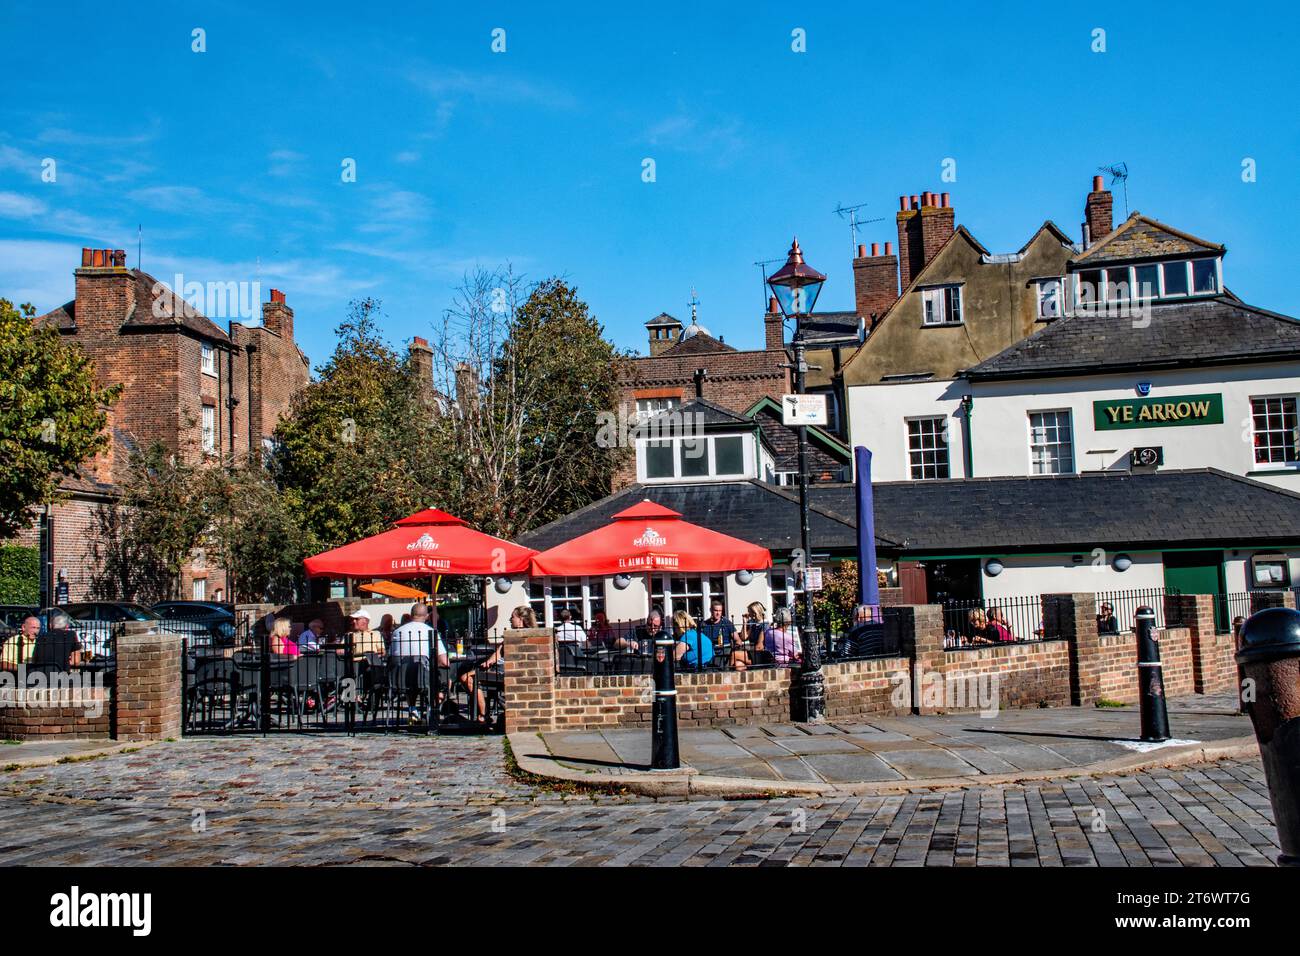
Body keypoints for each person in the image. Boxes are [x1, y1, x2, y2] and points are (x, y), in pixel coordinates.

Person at [390, 603, 450, 721]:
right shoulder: (431, 631)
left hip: (400, 679)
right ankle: (433, 708)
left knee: (410, 672)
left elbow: (392, 656)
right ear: (427, 616)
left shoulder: (397, 632)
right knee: (446, 676)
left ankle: (412, 709)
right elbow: (444, 662)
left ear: (411, 615)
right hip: (424, 679)